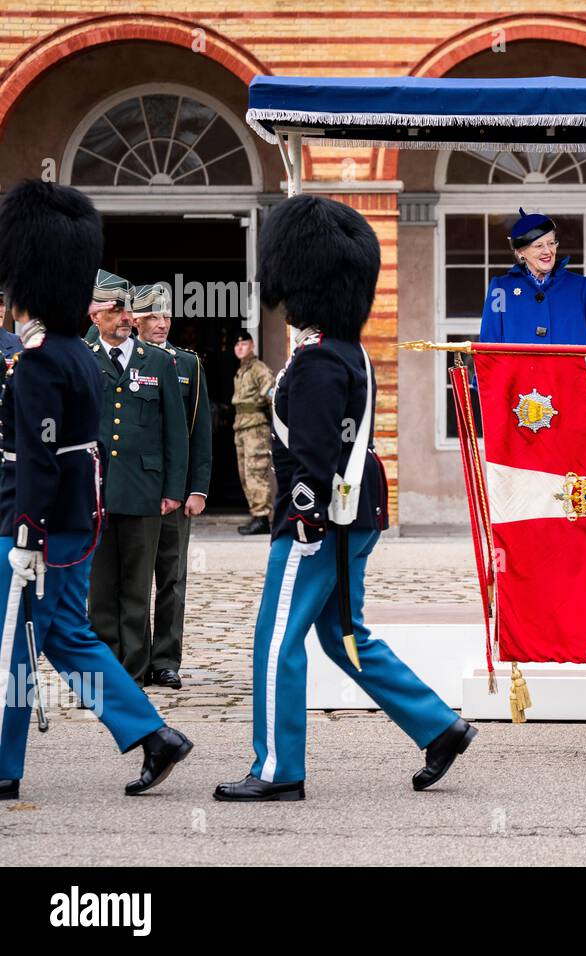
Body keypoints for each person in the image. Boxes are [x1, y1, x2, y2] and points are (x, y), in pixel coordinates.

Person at [213, 195, 473, 802]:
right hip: (354, 514)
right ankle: (438, 726)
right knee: (344, 634)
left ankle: (278, 769)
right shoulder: (346, 351)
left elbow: (313, 456)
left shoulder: (314, 362)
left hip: (318, 521)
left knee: (277, 639)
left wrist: (302, 515)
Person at [0, 180, 192, 801]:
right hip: (77, 520)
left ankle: (4, 766)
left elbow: (38, 456)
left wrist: (26, 531)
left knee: (11, 643)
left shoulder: (38, 363)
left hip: (39, 526)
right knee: (64, 634)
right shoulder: (77, 355)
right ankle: (151, 734)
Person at [86, 270, 188, 686]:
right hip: (94, 492)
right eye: (115, 310)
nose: (125, 316)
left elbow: (175, 435)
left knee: (137, 585)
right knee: (101, 587)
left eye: (128, 308)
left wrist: (173, 491)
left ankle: (135, 667)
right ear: (95, 316)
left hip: (144, 490)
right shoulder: (81, 357)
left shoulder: (159, 362)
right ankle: (105, 668)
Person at [132, 283, 212, 689]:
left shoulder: (188, 364)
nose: (161, 324)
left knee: (172, 577)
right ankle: (135, 658)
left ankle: (166, 659)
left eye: (165, 317)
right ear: (136, 320)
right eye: (152, 317)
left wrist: (198, 488)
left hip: (177, 491)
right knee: (133, 578)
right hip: (137, 488)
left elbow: (200, 433)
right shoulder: (127, 362)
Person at [479, 208, 586, 346]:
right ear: (520, 252)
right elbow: (489, 345)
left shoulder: (581, 287)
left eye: (551, 243)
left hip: (569, 368)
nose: (547, 251)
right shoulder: (501, 290)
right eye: (539, 245)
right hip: (519, 368)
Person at [232, 330, 276, 535]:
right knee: (245, 474)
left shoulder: (258, 369)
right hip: (242, 427)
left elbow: (271, 394)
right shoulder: (242, 371)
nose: (240, 348)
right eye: (237, 345)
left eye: (244, 344)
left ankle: (262, 518)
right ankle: (257, 515)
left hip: (256, 429)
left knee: (255, 472)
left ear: (252, 346)